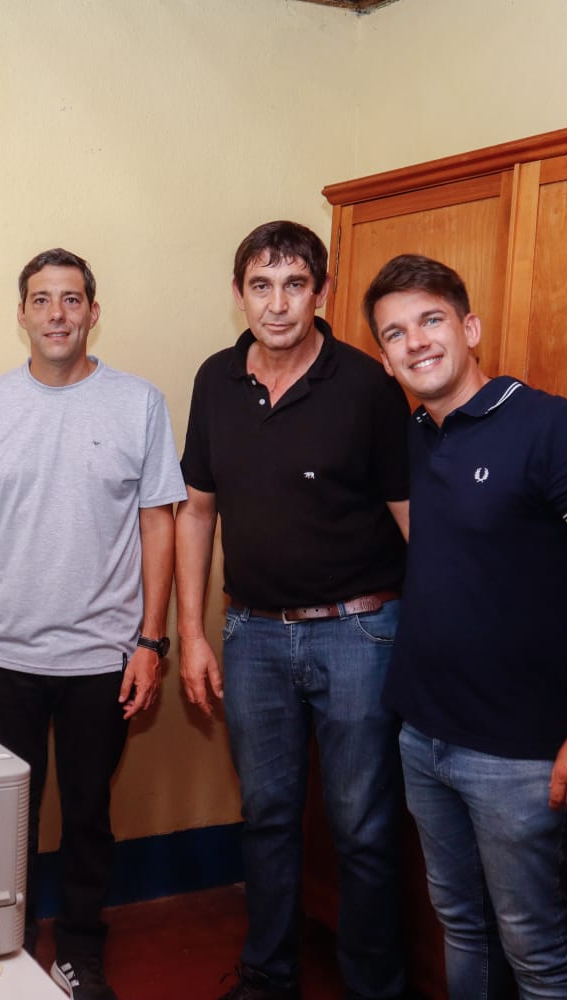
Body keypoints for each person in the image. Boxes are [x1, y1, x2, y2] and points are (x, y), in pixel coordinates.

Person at [364, 254, 567, 1000]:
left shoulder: (556, 429)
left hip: (521, 756)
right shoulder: (418, 437)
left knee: (535, 947)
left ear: (470, 327)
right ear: (385, 354)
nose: (416, 342)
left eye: (430, 320)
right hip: (425, 736)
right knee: (460, 924)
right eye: (394, 333)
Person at [174, 221, 412, 1000]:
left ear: (322, 293)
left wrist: (440, 630)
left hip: (360, 634)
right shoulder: (216, 380)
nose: (277, 304)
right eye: (261, 286)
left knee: (364, 831)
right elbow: (198, 512)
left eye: (295, 284)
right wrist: (193, 635)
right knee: (268, 819)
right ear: (238, 293)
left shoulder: (368, 386)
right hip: (252, 637)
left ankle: (375, 987)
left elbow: (412, 516)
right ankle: (268, 978)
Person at [0, 248, 187, 1000]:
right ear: (21, 314)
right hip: (5, 651)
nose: (57, 313)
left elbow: (159, 526)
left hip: (101, 657)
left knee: (87, 816)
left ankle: (80, 950)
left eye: (72, 299)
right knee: (6, 814)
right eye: (42, 300)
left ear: (93, 312)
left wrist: (151, 641)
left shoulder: (138, 403)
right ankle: (7, 947)